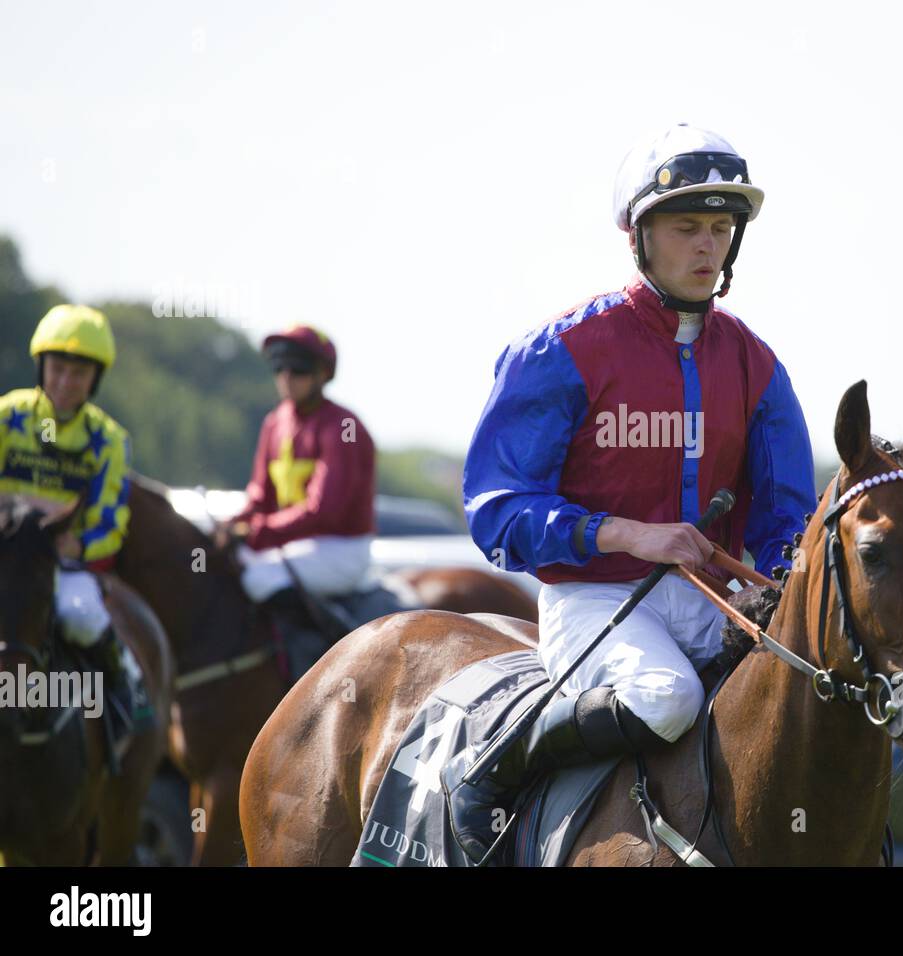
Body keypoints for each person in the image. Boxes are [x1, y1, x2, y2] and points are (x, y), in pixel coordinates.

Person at [449, 123, 819, 862]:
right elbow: (497, 513)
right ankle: (488, 775)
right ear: (639, 238)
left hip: (716, 606)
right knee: (669, 698)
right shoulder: (561, 351)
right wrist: (625, 533)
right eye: (687, 228)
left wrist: (781, 584)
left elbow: (789, 518)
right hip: (593, 601)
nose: (707, 247)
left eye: (720, 229)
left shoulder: (757, 365)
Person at [0, 304, 136, 746]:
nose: (64, 382)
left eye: (77, 374)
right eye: (57, 368)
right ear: (42, 366)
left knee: (83, 616)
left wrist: (78, 547)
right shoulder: (6, 416)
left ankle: (120, 706)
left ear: (94, 380)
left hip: (61, 569)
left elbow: (111, 522)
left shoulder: (110, 440)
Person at [221, 325, 377, 676]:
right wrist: (232, 527)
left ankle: (326, 651)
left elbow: (324, 511)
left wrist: (256, 532)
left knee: (258, 578)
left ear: (323, 373)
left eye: (298, 369)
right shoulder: (273, 423)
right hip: (293, 545)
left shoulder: (343, 428)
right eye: (279, 368)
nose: (287, 377)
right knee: (227, 564)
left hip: (341, 549)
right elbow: (259, 496)